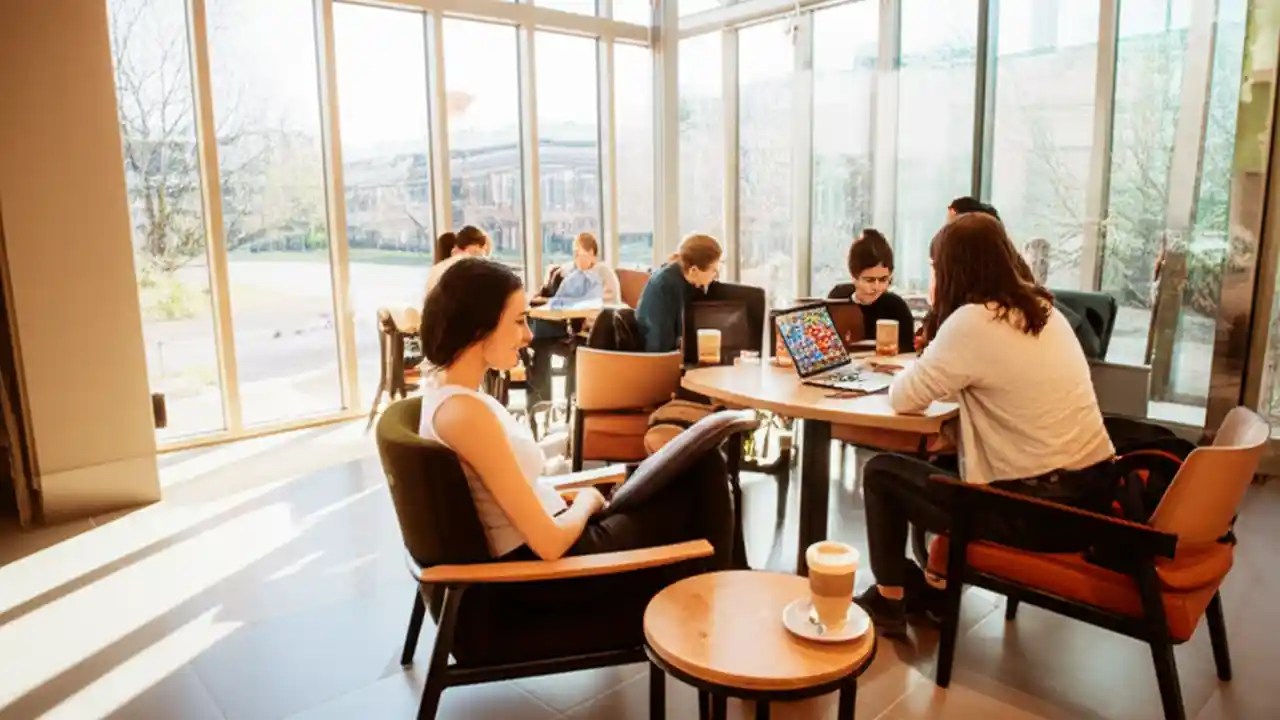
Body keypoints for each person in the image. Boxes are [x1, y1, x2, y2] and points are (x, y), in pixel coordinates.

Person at [854, 213, 1116, 638]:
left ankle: (889, 599)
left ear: (953, 270)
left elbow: (904, 397)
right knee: (941, 458)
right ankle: (933, 587)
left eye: (936, 268)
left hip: (1035, 512)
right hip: (1092, 496)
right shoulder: (1044, 311)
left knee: (883, 472)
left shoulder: (974, 322)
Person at [417, 255, 733, 573]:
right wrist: (586, 501)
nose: (528, 335)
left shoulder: (457, 399)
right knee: (704, 471)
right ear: (478, 328)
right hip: (561, 569)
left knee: (696, 464)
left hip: (566, 539)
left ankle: (723, 585)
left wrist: (584, 501)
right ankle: (721, 590)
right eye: (518, 321)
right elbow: (549, 543)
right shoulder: (463, 414)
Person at [527, 232, 621, 403]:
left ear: (593, 253)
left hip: (596, 331)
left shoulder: (602, 273)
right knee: (539, 342)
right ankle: (541, 401)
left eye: (581, 253)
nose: (578, 258)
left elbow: (600, 305)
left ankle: (573, 402)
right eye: (576, 254)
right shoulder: (574, 273)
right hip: (573, 328)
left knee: (573, 347)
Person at [830, 229, 916, 353]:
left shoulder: (896, 307)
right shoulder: (837, 299)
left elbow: (908, 355)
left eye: (883, 279)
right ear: (854, 276)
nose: (877, 287)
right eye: (869, 280)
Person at [635, 234, 722, 353]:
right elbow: (661, 343)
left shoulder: (679, 277)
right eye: (713, 271)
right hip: (657, 361)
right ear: (694, 270)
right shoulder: (667, 286)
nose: (715, 276)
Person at [424, 225, 490, 298]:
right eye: (483, 250)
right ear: (476, 246)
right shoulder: (472, 268)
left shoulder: (437, 268)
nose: (484, 255)